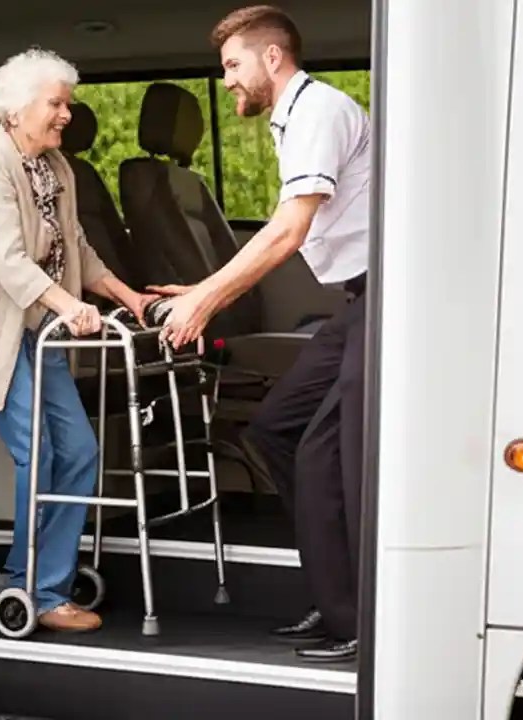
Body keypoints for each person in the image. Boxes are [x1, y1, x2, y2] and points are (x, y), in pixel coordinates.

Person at [149, 5, 371, 662]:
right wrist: (196, 292)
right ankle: (337, 594)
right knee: (276, 429)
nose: (227, 81)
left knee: (325, 451)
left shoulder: (317, 112)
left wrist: (205, 304)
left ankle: (360, 616)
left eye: (232, 65)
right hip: (358, 300)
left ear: (271, 58)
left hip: (387, 295)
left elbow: (287, 231)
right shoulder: (293, 119)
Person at [0, 48, 155, 633]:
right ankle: (40, 591)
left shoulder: (56, 168)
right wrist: (72, 306)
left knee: (80, 452)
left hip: (40, 335)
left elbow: (76, 248)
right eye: (56, 103)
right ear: (17, 108)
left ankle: (34, 576)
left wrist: (127, 297)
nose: (66, 115)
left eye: (67, 104)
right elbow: (9, 260)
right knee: (42, 455)